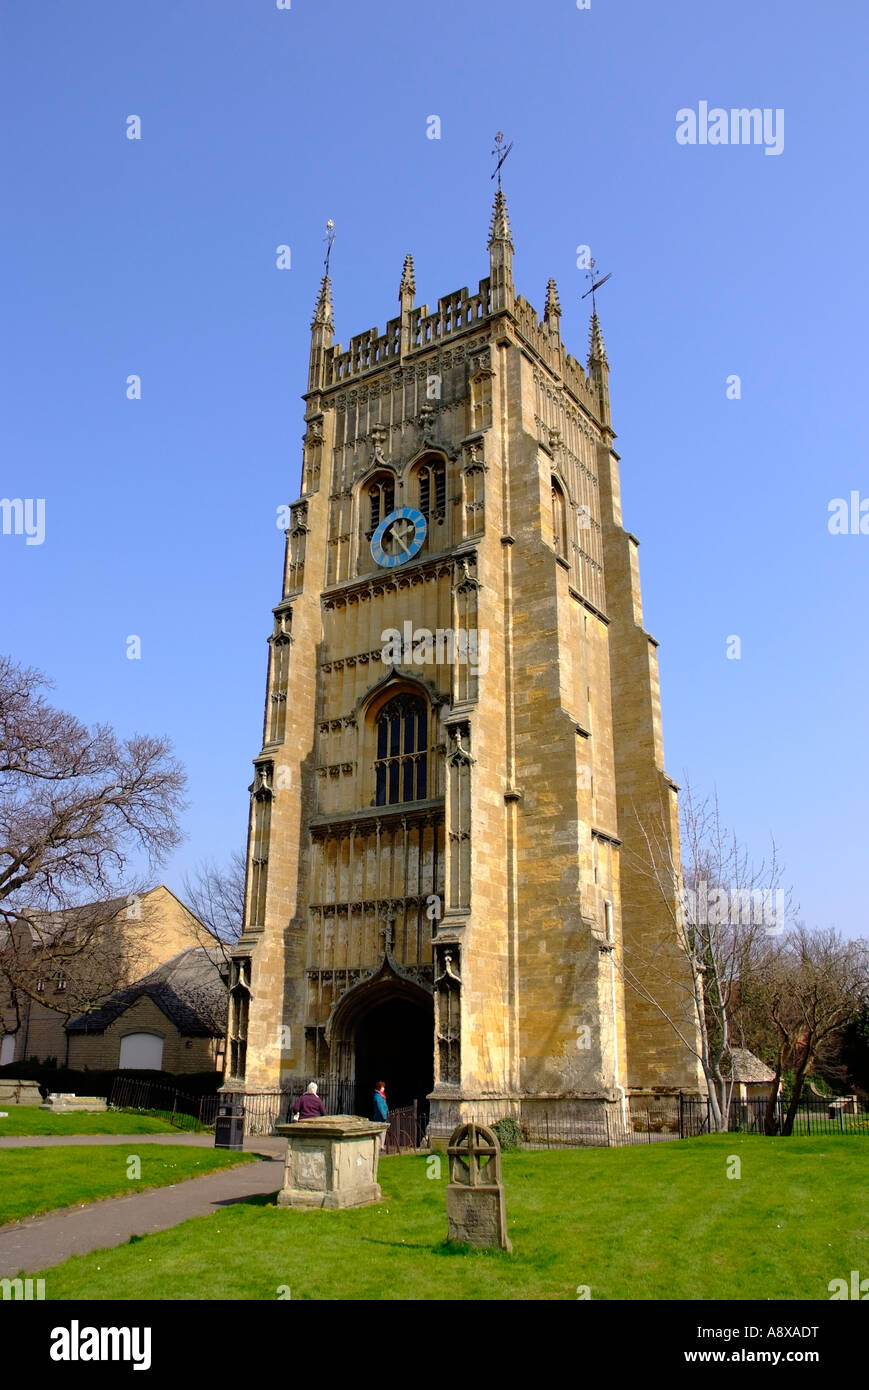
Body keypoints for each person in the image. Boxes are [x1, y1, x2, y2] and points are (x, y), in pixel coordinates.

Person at [373, 1080, 389, 1152]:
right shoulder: (378, 1096)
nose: (384, 1088)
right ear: (379, 1087)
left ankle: (381, 1145)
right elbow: (380, 1107)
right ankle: (380, 1146)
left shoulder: (381, 1095)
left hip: (382, 1116)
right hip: (380, 1117)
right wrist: (384, 1116)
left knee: (383, 1132)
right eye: (382, 1087)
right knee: (381, 1132)